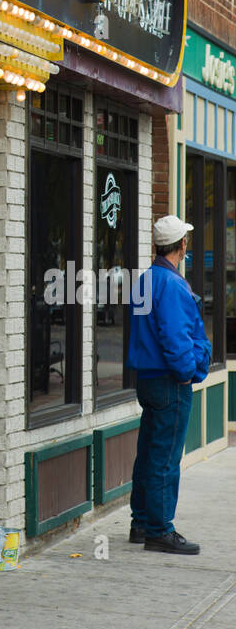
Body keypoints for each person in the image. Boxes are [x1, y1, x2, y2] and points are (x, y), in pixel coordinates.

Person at [127, 215, 211, 554]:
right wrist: (187, 372)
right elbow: (175, 337)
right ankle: (160, 530)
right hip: (168, 381)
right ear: (181, 246)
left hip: (148, 379)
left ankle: (143, 522)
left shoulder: (146, 280)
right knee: (164, 458)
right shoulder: (172, 284)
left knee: (148, 452)